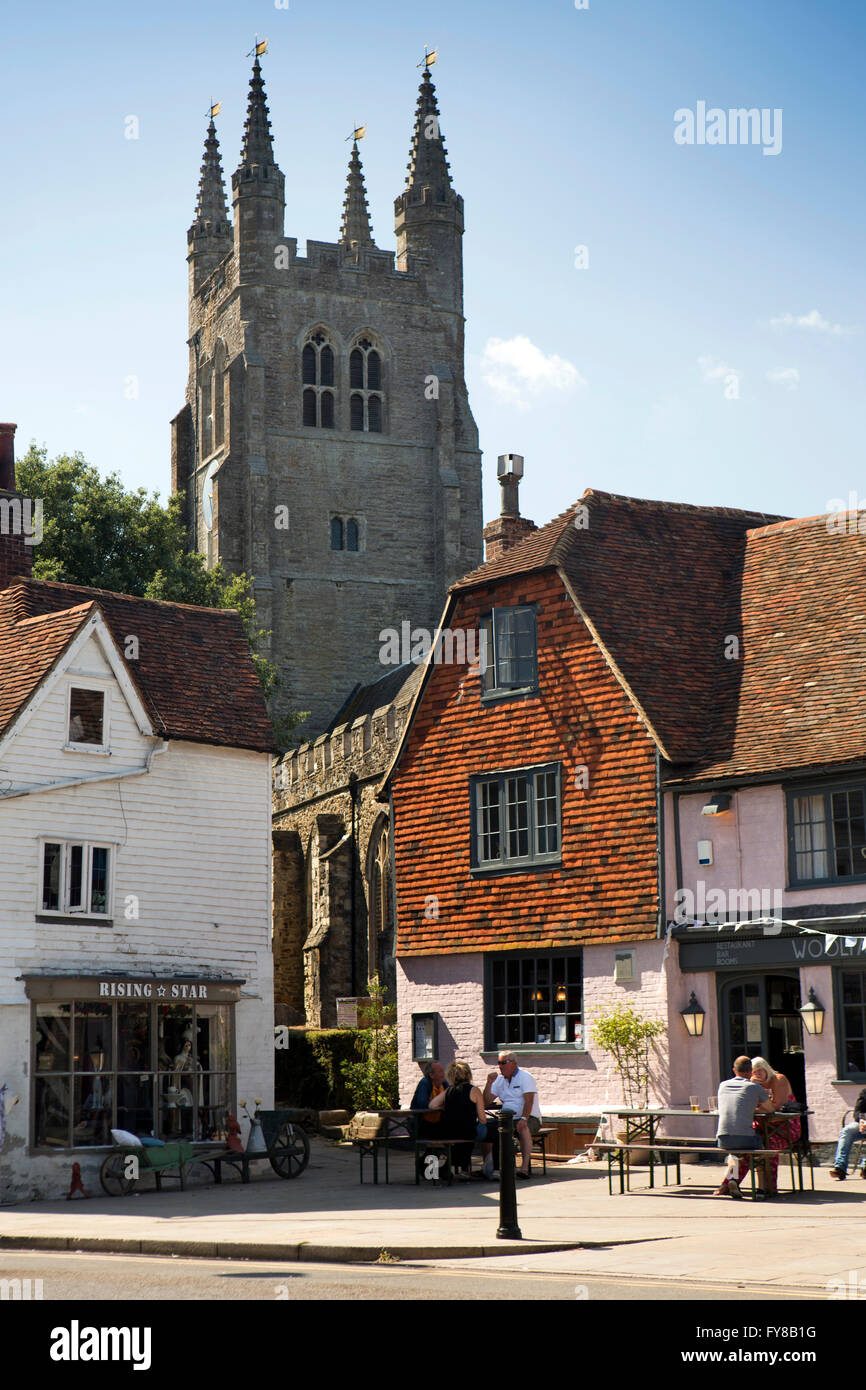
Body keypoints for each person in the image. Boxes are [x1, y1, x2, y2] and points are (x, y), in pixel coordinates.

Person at [713, 1055, 775, 1199]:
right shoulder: (755, 1087)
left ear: (734, 1070)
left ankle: (733, 1179)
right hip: (745, 1138)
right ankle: (760, 1189)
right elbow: (770, 1108)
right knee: (760, 1147)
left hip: (723, 1138)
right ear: (751, 1071)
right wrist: (753, 1109)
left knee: (733, 1152)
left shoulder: (723, 1085)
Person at [743, 1057, 799, 1195]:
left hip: (786, 1127)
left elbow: (775, 1107)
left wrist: (756, 1108)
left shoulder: (779, 1080)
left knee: (768, 1145)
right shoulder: (755, 1085)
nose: (758, 1074)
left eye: (760, 1070)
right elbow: (748, 1105)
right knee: (746, 1145)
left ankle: (770, 1188)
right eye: (754, 1072)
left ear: (766, 1068)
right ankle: (730, 1184)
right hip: (766, 1127)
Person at [483, 1050, 542, 1179]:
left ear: (513, 1063)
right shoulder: (499, 1080)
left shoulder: (525, 1077)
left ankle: (524, 1168)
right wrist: (489, 1082)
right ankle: (489, 1167)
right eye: (498, 1063)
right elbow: (486, 1101)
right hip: (506, 1118)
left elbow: (529, 1100)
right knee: (486, 1128)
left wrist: (523, 1118)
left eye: (503, 1062)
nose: (500, 1066)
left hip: (529, 1117)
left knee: (522, 1127)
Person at [428, 1061, 488, 1180]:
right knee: (487, 1131)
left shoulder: (449, 1091)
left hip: (449, 1131)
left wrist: (445, 1106)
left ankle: (455, 1168)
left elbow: (432, 1105)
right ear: (468, 1074)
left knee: (464, 1133)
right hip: (467, 1131)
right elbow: (482, 1118)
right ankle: (493, 1168)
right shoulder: (474, 1090)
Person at [828, 1086, 866, 1180]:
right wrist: (861, 1120)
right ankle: (840, 1168)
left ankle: (865, 1166)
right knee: (847, 1130)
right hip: (864, 1124)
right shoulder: (865, 1092)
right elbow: (857, 1111)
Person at [410, 1060, 447, 1140]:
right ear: (431, 1075)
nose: (443, 1073)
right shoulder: (425, 1083)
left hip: (438, 1123)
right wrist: (440, 1106)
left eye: (443, 1070)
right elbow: (423, 1104)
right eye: (440, 1071)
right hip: (422, 1124)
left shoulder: (444, 1084)